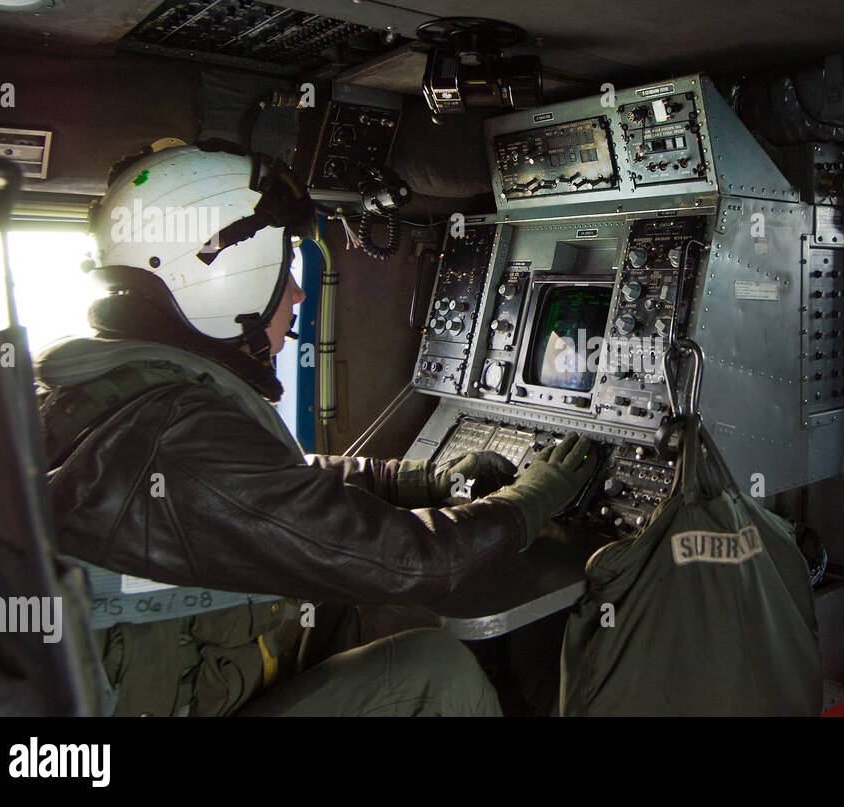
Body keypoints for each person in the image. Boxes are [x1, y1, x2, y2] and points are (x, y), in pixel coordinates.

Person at [35, 141, 595, 716]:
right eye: (286, 271)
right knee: (435, 672)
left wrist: (424, 481)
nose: (299, 293)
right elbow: (412, 563)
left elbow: (276, 486)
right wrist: (534, 498)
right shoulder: (176, 436)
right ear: (225, 280)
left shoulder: (107, 390)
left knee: (338, 613)